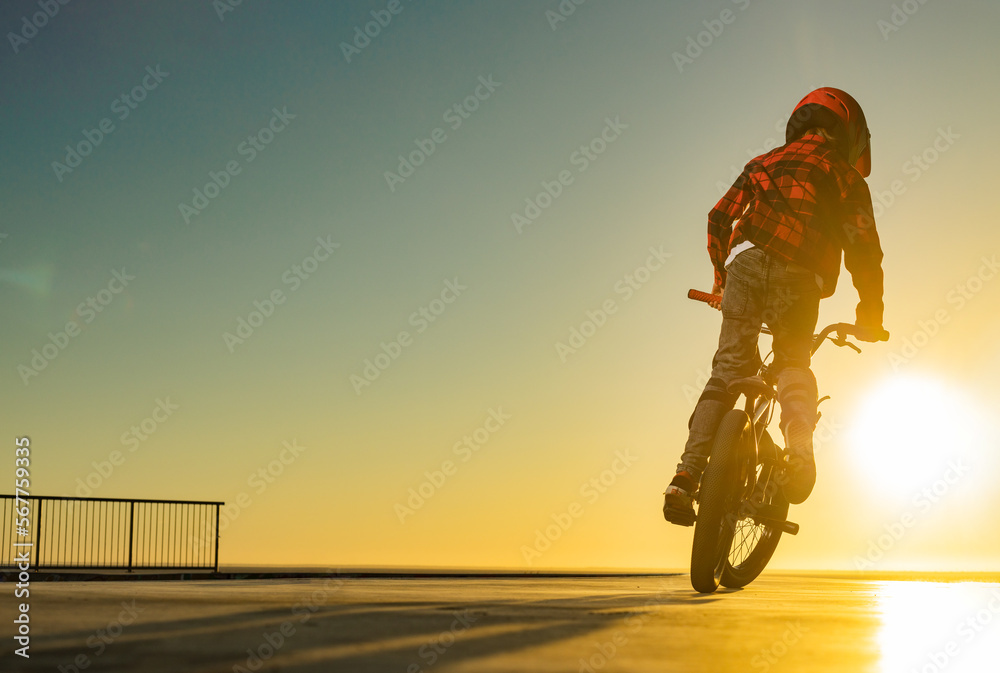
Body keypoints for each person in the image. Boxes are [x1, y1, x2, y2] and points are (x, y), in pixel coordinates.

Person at [663, 87, 888, 525]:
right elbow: (864, 248)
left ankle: (685, 477)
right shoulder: (843, 175)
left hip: (744, 267)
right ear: (850, 133)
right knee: (792, 362)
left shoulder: (762, 161)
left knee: (726, 370)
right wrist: (870, 316)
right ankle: (799, 452)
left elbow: (718, 217)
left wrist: (721, 280)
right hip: (798, 274)